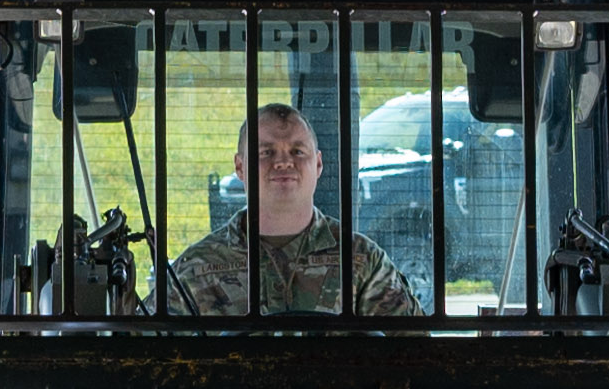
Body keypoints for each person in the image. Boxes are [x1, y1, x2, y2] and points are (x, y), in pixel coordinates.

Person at [163, 102, 418, 317]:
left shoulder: (363, 262)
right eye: (266, 152)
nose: (284, 162)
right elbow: (148, 350)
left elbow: (416, 351)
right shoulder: (195, 269)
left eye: (297, 151)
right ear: (240, 167)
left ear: (318, 165)